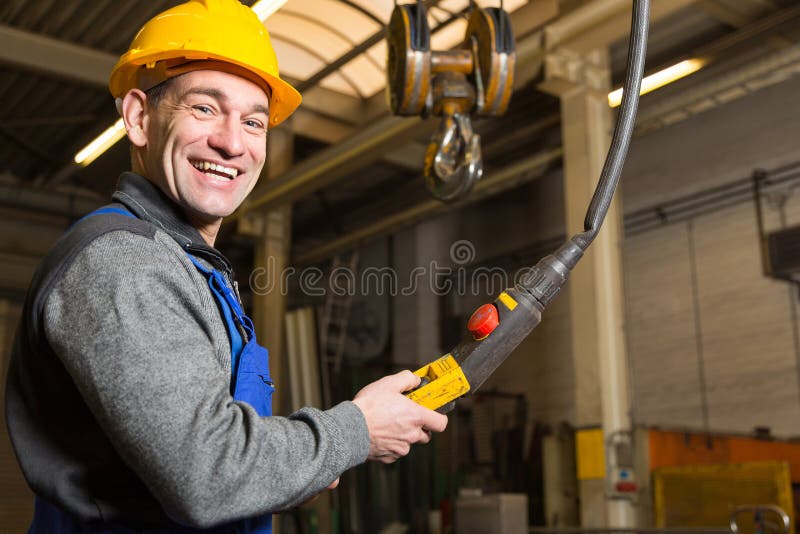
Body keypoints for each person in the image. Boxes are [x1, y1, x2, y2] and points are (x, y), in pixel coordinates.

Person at [5, 1, 447, 532]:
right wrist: (356, 430)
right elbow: (208, 475)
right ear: (139, 118)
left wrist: (293, 468)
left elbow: (207, 454)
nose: (232, 142)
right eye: (204, 109)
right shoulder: (122, 263)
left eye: (254, 121)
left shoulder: (192, 269)